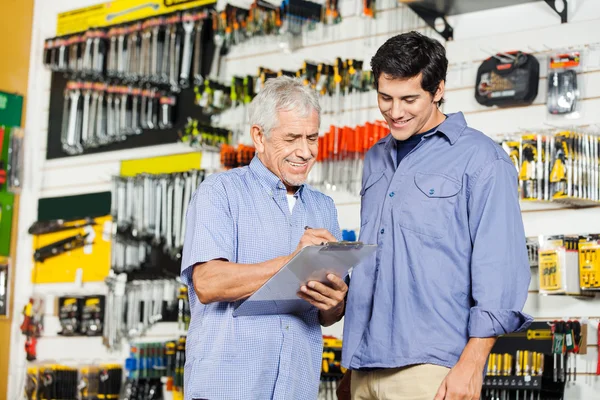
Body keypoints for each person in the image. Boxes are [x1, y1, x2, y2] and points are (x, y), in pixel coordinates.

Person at [340, 31, 533, 400]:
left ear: (438, 90)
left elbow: (501, 271)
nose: (395, 112)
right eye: (385, 97)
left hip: (432, 369)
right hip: (364, 366)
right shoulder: (375, 157)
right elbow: (376, 261)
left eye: (409, 99)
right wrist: (354, 366)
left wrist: (472, 364)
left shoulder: (481, 159)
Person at [180, 76, 348, 400]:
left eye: (312, 138)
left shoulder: (324, 208)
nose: (305, 151)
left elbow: (327, 315)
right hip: (228, 390)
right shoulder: (220, 193)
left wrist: (337, 302)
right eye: (292, 138)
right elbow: (208, 283)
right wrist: (293, 263)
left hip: (296, 389)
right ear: (259, 136)